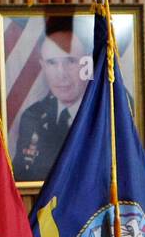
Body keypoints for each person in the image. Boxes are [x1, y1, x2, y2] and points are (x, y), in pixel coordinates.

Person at [12, 18, 90, 183]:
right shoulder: (32, 116)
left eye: (70, 61)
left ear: (87, 64)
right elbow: (21, 177)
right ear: (43, 66)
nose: (61, 74)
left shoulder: (107, 114)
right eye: (52, 63)